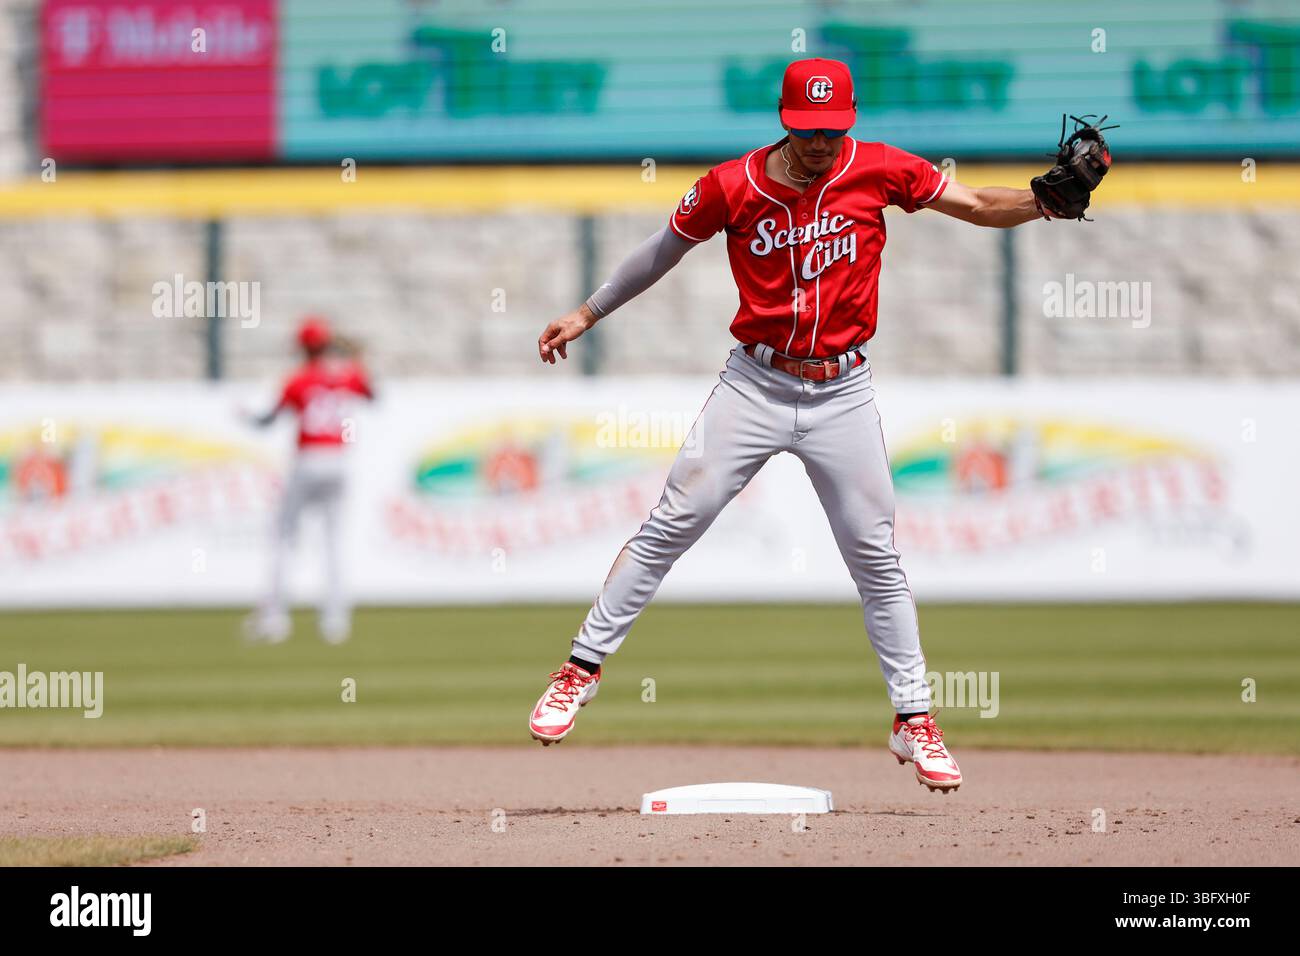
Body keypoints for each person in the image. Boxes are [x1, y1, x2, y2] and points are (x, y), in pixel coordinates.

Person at [527, 58, 1108, 793]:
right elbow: (661, 250)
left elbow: (976, 206)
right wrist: (587, 311)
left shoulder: (880, 169)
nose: (821, 144)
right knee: (674, 521)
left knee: (876, 556)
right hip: (757, 382)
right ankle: (579, 671)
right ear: (785, 119)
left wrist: (1041, 202)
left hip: (842, 391)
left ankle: (914, 720)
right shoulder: (731, 185)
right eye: (808, 130)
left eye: (833, 130)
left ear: (849, 122)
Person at [242, 317, 374, 645]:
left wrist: (244, 416)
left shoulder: (298, 380)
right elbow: (372, 394)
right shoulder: (348, 373)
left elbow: (268, 420)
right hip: (340, 462)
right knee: (333, 542)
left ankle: (275, 619)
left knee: (286, 538)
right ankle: (335, 621)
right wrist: (356, 358)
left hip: (309, 459)